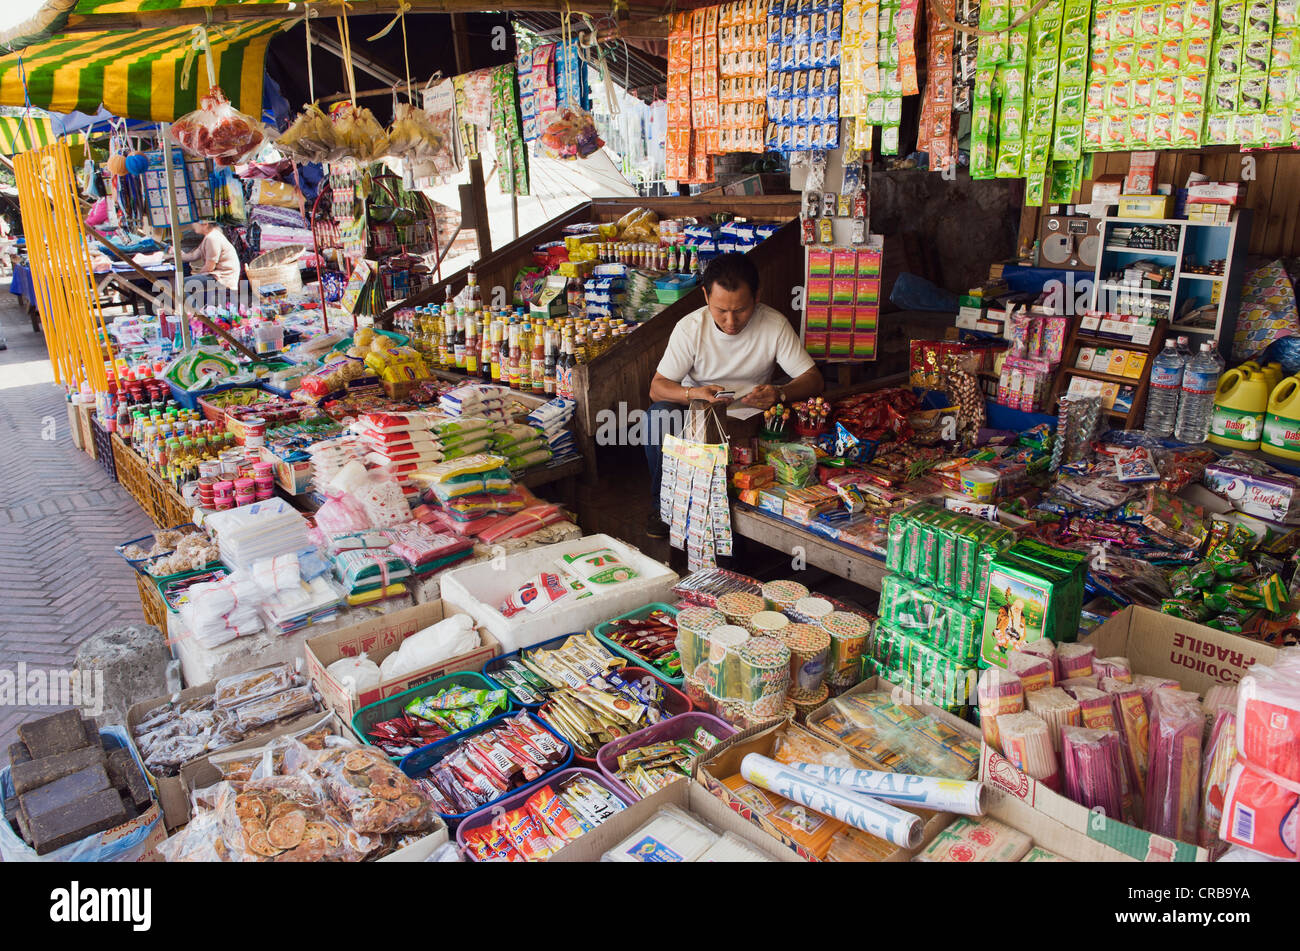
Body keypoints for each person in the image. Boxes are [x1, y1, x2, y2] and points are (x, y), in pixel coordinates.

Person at [644, 252, 824, 538]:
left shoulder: (773, 324)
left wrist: (780, 393)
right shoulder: (690, 328)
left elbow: (813, 379)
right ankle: (662, 508)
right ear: (705, 296)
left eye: (740, 310)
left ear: (757, 296)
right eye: (721, 310)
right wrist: (694, 394)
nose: (730, 321)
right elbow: (657, 388)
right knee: (658, 417)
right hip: (700, 416)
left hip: (753, 418)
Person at [180, 220, 240, 301]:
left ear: (205, 224)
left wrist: (196, 276)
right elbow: (193, 256)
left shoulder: (212, 238)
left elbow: (209, 267)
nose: (193, 226)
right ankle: (195, 311)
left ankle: (195, 312)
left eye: (195, 223)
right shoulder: (209, 237)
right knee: (184, 282)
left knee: (182, 285)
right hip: (217, 276)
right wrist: (173, 255)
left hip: (223, 278)